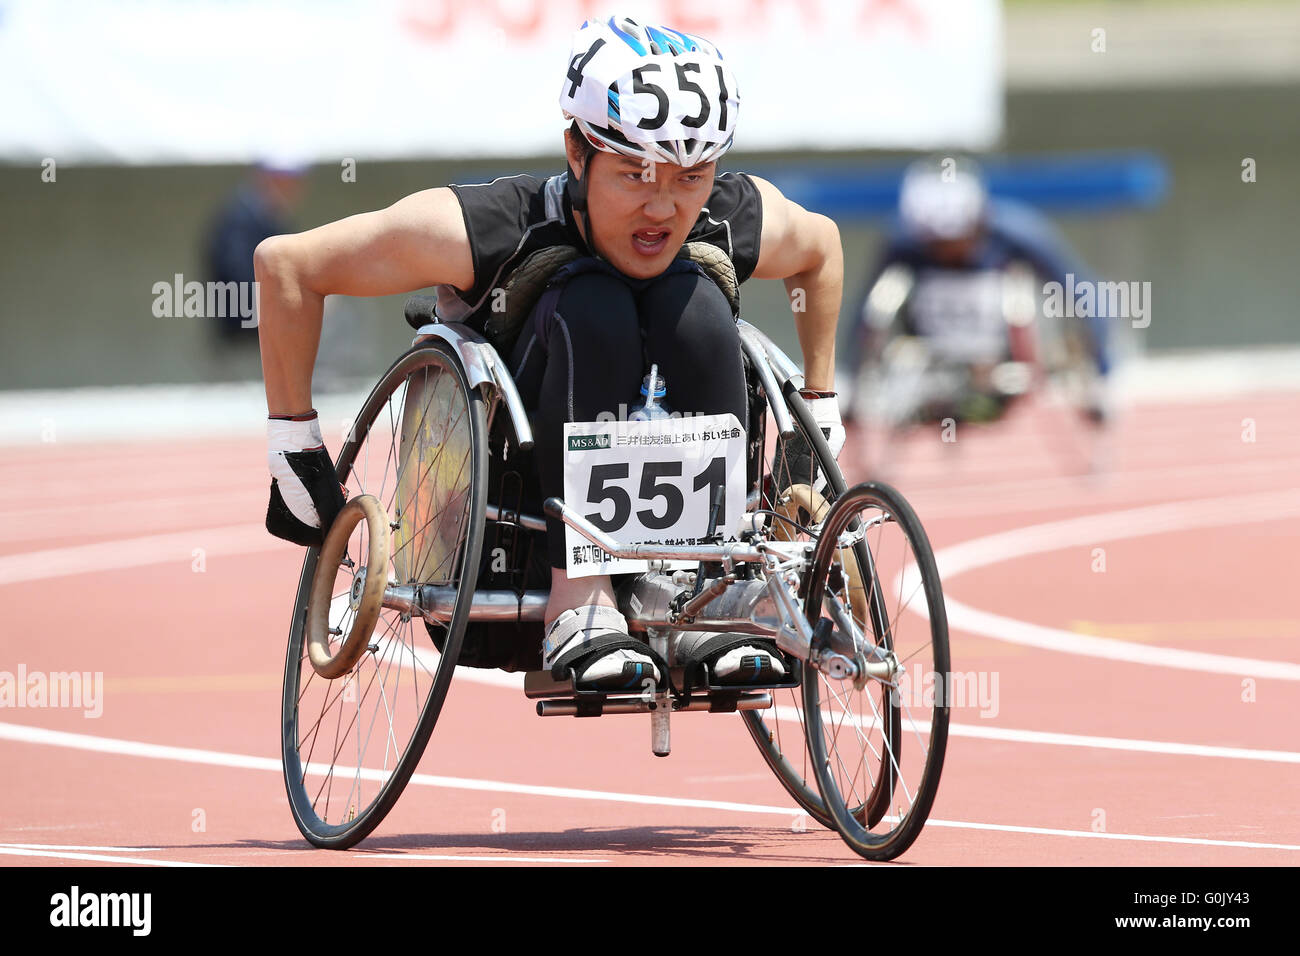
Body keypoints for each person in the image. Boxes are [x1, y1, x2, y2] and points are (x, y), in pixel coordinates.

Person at [255, 16, 844, 691]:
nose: (663, 206)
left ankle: (705, 589)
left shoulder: (722, 215)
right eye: (634, 175)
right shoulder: (491, 226)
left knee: (697, 298)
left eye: (692, 176)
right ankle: (582, 596)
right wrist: (294, 449)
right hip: (512, 547)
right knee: (594, 302)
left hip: (673, 549)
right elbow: (287, 268)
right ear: (576, 150)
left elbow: (821, 250)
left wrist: (819, 414)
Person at [847, 156, 1113, 424]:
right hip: (930, 344)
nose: (946, 254)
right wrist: (852, 378)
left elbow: (1077, 288)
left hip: (1000, 345)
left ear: (978, 221)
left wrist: (1100, 372)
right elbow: (865, 310)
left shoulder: (1020, 232)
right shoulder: (901, 242)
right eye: (934, 243)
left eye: (955, 241)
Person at [204, 156, 309, 344]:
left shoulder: (272, 220)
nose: (290, 188)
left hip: (263, 337)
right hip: (244, 341)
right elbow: (239, 280)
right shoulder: (240, 221)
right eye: (281, 179)